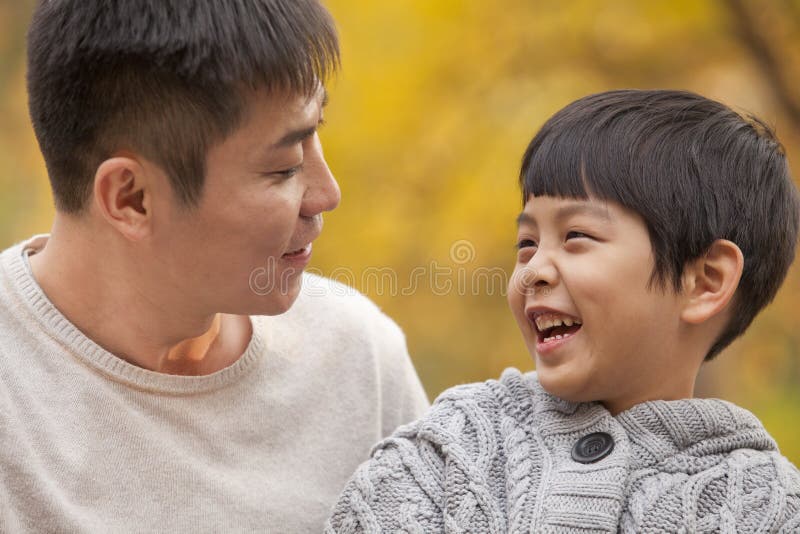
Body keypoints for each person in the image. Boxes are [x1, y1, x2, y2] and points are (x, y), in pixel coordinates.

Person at [0, 1, 429, 532]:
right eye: (284, 168)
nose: (326, 194)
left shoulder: (357, 362)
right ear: (131, 198)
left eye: (315, 131)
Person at [326, 89, 800, 532]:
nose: (533, 270)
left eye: (576, 236)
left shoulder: (767, 508)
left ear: (705, 282)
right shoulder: (449, 449)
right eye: (527, 243)